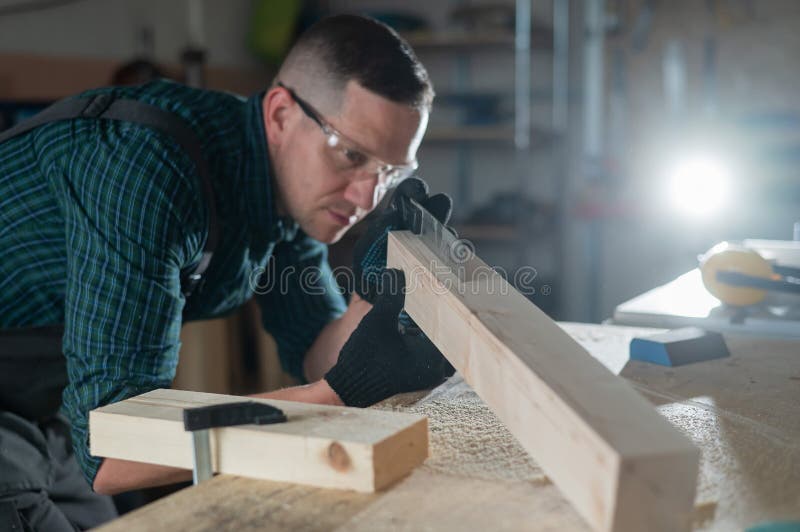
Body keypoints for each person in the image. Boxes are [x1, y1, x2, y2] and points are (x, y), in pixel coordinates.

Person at [0, 14, 453, 530]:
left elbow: (319, 359)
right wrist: (333, 397)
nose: (365, 198)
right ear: (282, 114)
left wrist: (375, 299)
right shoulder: (148, 171)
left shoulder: (291, 193)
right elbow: (113, 450)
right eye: (352, 156)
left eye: (389, 173)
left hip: (37, 406)